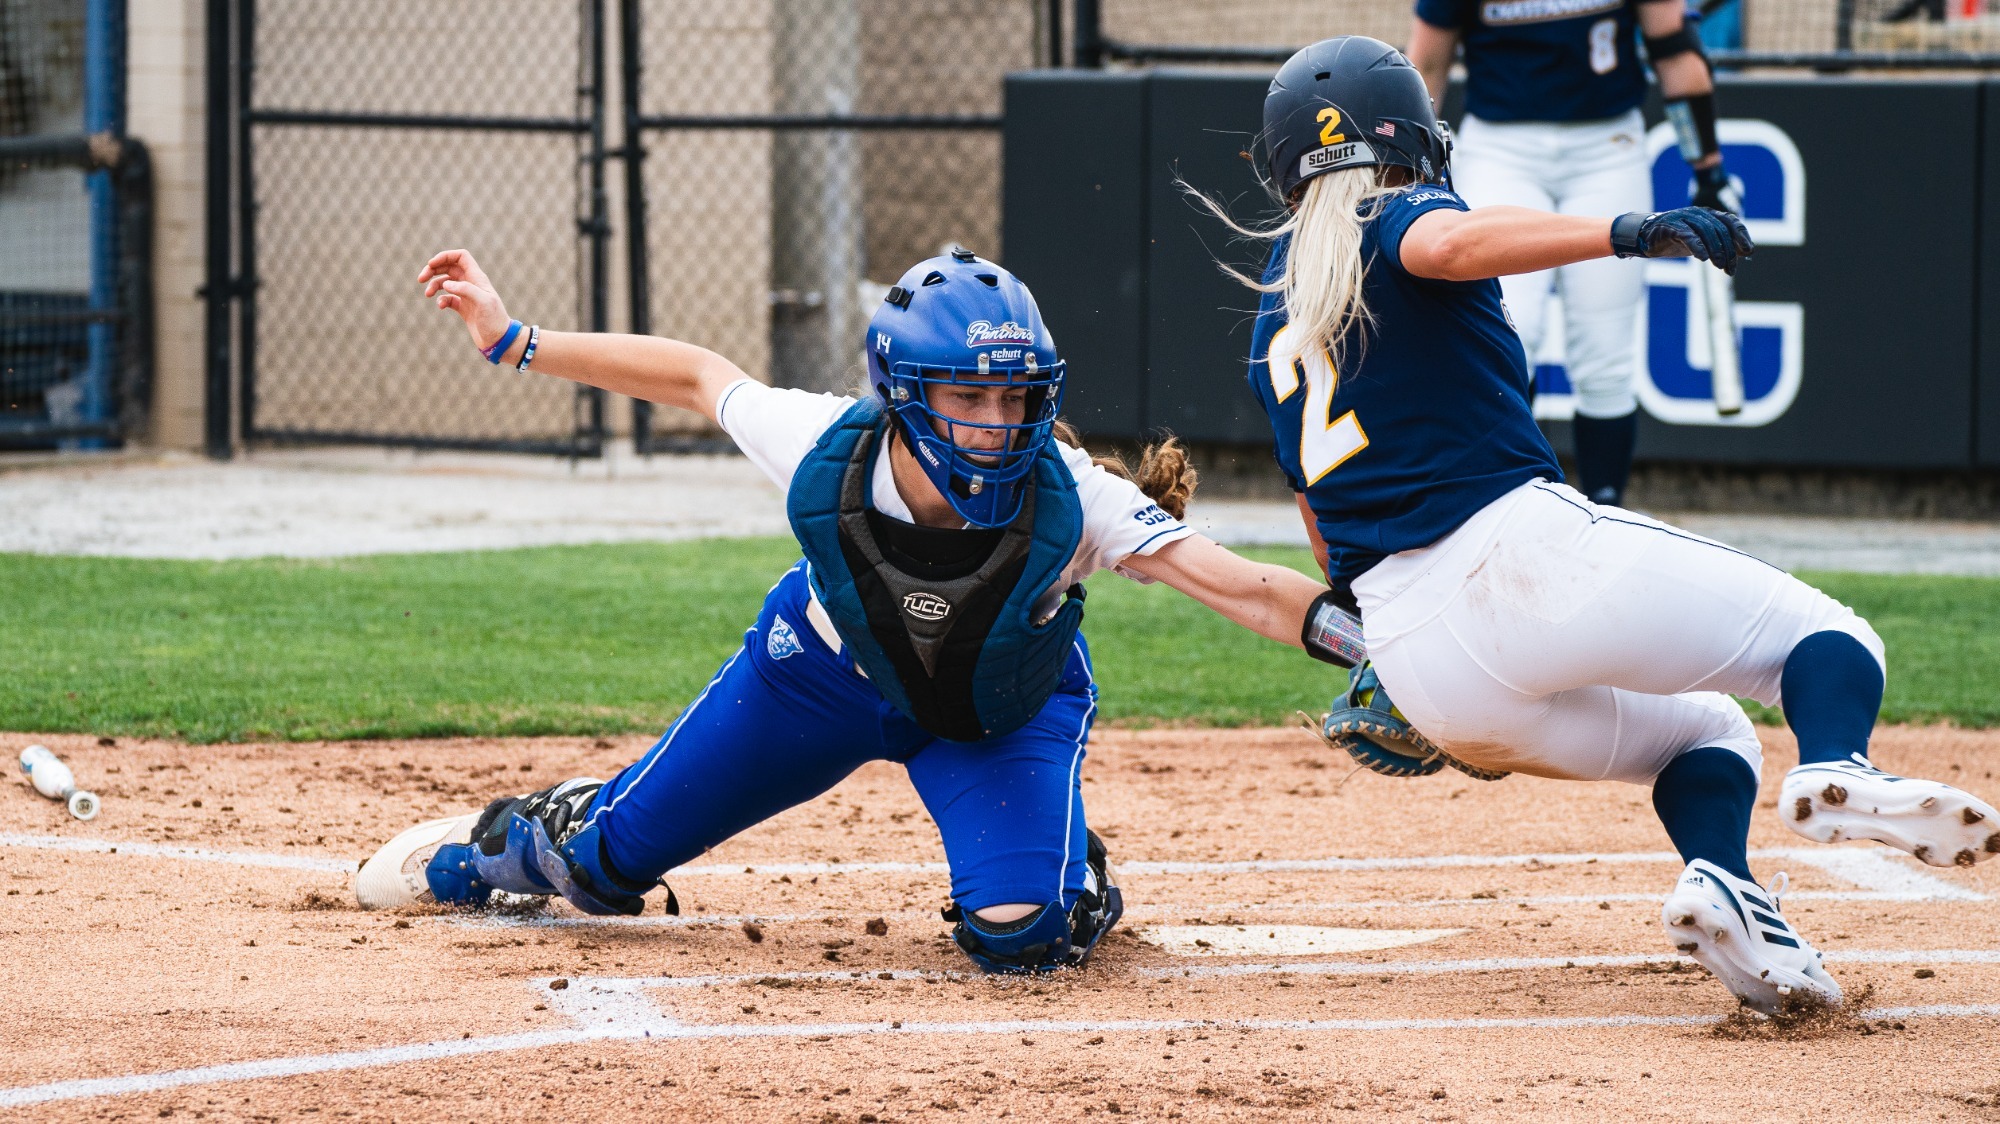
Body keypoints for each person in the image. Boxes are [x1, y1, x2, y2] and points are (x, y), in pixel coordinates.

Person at [1201, 36, 1997, 1012]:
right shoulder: (1397, 211)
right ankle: (1836, 764)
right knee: (1828, 636)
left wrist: (1397, 656)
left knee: (1704, 732)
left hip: (1419, 657)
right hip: (1515, 557)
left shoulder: (1267, 324)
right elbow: (1444, 245)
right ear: (1406, 134)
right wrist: (1628, 230)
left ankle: (1732, 900)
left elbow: (1323, 537)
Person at [354, 245, 1352, 974]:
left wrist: (1375, 647)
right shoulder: (830, 441)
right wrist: (515, 339)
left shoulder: (1071, 493)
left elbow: (1239, 584)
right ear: (903, 392)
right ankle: (534, 829)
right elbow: (701, 375)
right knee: (599, 868)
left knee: (1023, 937)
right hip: (815, 680)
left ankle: (1058, 863)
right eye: (969, 396)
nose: (998, 426)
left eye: (1016, 399)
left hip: (994, 712)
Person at [1405, 0, 1734, 507]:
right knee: (1511, 337)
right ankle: (1504, 510)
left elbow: (1673, 47)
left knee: (1604, 354)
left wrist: (1708, 169)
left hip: (1608, 145)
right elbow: (1425, 66)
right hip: (1501, 147)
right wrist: (1414, 171)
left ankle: (1607, 519)